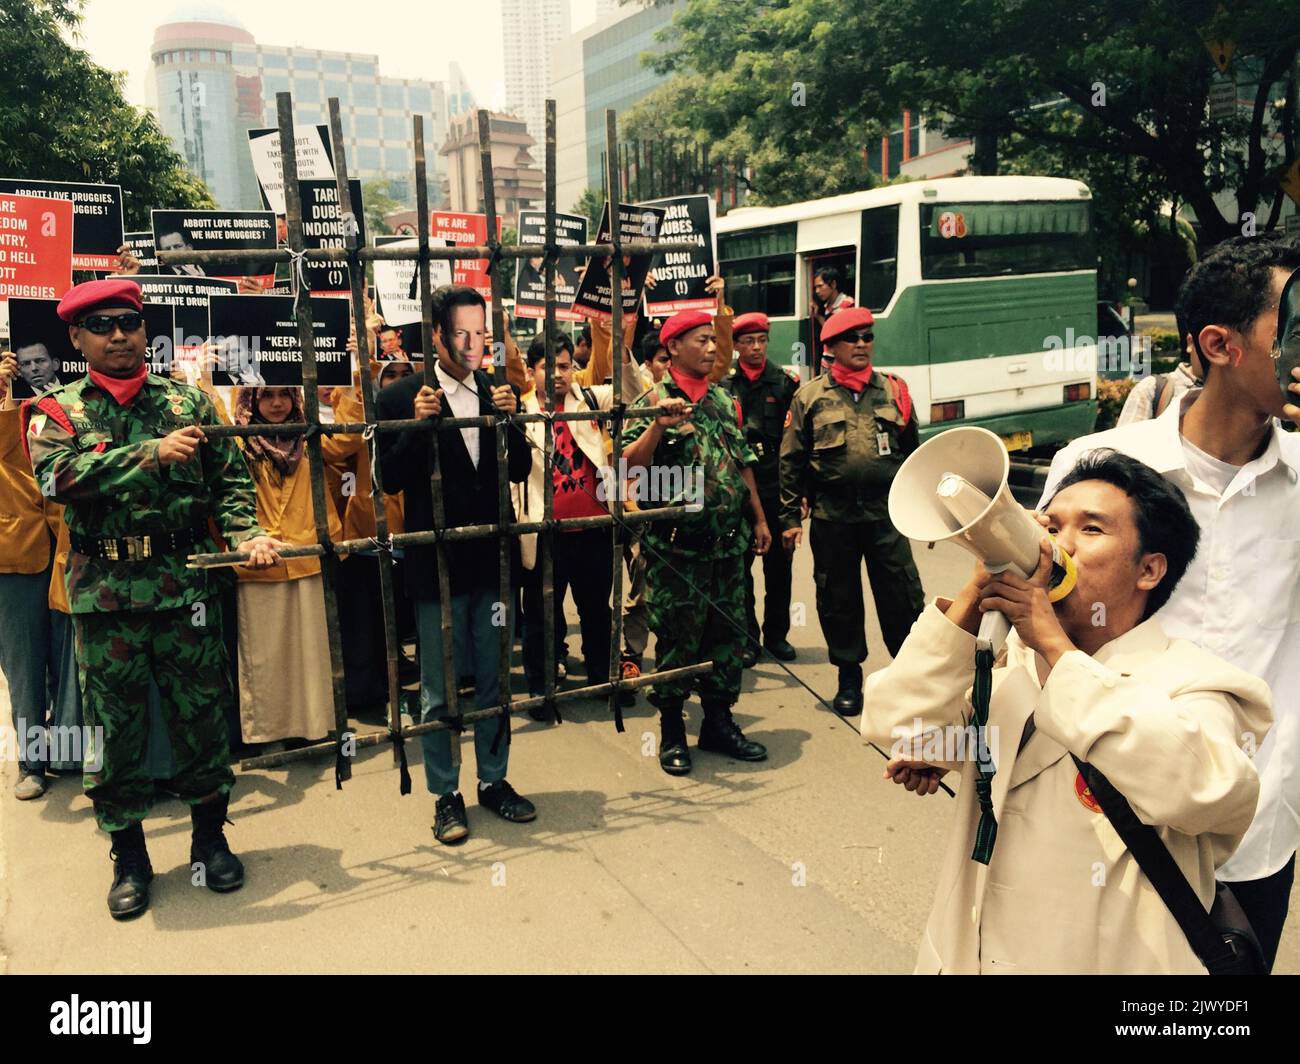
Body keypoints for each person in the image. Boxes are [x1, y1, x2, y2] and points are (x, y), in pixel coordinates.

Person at [865, 450, 1270, 974]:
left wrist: (1058, 649)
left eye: (1093, 529)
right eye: (1050, 524)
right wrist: (974, 594)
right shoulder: (1009, 669)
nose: (1058, 544)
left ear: (1149, 569)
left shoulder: (1198, 686)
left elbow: (1204, 791)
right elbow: (898, 726)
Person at [1039, 234, 1300, 972]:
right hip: (1112, 816)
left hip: (1256, 830)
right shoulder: (1101, 478)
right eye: (1295, 326)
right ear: (1221, 344)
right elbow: (1048, 630)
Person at [24, 278, 286, 919]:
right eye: (103, 326)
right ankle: (131, 858)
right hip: (105, 594)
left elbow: (228, 481)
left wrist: (248, 534)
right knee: (116, 733)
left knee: (202, 717)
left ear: (145, 330)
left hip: (185, 584)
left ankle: (209, 842)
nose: (119, 335)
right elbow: (58, 479)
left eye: (129, 323)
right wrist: (151, 455)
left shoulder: (189, 402)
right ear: (77, 339)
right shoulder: (57, 411)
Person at [376, 284, 534, 845]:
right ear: (437, 337)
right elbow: (385, 480)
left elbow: (516, 472)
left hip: (490, 559)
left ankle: (494, 780)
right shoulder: (400, 398)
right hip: (434, 566)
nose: (473, 344)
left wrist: (511, 422)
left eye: (481, 333)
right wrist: (420, 428)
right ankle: (446, 794)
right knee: (440, 689)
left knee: (492, 678)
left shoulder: (498, 390)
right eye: (462, 333)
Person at [621, 309, 772, 776]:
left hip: (728, 548)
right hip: (677, 551)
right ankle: (670, 731)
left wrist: (759, 519)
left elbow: (742, 461)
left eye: (713, 340)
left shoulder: (725, 401)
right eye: (702, 340)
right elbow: (627, 466)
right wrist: (657, 427)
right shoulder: (653, 400)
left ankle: (719, 723)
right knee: (677, 641)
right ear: (673, 348)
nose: (712, 348)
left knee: (726, 639)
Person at [780, 305, 925, 715]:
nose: (862, 345)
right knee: (838, 599)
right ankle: (849, 679)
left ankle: (910, 679)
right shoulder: (809, 397)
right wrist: (790, 519)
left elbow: (916, 454)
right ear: (832, 347)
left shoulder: (895, 391)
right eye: (852, 339)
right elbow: (790, 461)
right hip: (833, 517)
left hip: (886, 516)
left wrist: (929, 510)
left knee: (902, 596)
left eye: (867, 337)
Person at [515, 332, 642, 715]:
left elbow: (635, 393)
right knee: (542, 615)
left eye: (565, 366)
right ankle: (542, 690)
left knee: (596, 609)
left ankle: (603, 678)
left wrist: (617, 342)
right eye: (547, 367)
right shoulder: (518, 413)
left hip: (593, 529)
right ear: (531, 369)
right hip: (544, 533)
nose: (557, 374)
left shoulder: (588, 399)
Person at [231, 385, 353, 747]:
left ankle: (313, 727)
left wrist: (352, 382)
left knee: (311, 651)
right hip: (260, 560)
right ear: (251, 401)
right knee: (265, 656)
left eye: (284, 394)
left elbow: (349, 442)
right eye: (266, 396)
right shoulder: (239, 442)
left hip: (308, 556)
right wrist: (203, 380)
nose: (277, 403)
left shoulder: (310, 435)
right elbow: (209, 446)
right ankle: (268, 734)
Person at [0, 353, 64, 798]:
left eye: (41, 360)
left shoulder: (69, 404)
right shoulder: (7, 407)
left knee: (70, 662)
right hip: (16, 557)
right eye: (24, 362)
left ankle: (70, 751)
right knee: (25, 667)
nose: (30, 368)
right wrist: (3, 397)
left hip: (70, 547)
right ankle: (32, 763)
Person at [720, 312, 800, 666]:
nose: (756, 347)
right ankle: (748, 637)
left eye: (761, 340)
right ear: (737, 346)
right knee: (741, 570)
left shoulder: (784, 383)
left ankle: (777, 636)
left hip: (776, 487)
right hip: (740, 489)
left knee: (780, 569)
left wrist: (799, 495)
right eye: (748, 341)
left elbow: (798, 442)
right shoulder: (726, 386)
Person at [810, 266, 855, 374]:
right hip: (827, 360)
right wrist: (817, 316)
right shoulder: (828, 306)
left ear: (833, 284)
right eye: (815, 288)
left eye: (820, 286)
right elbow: (828, 328)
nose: (817, 291)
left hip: (840, 362)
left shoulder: (847, 304)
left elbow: (837, 333)